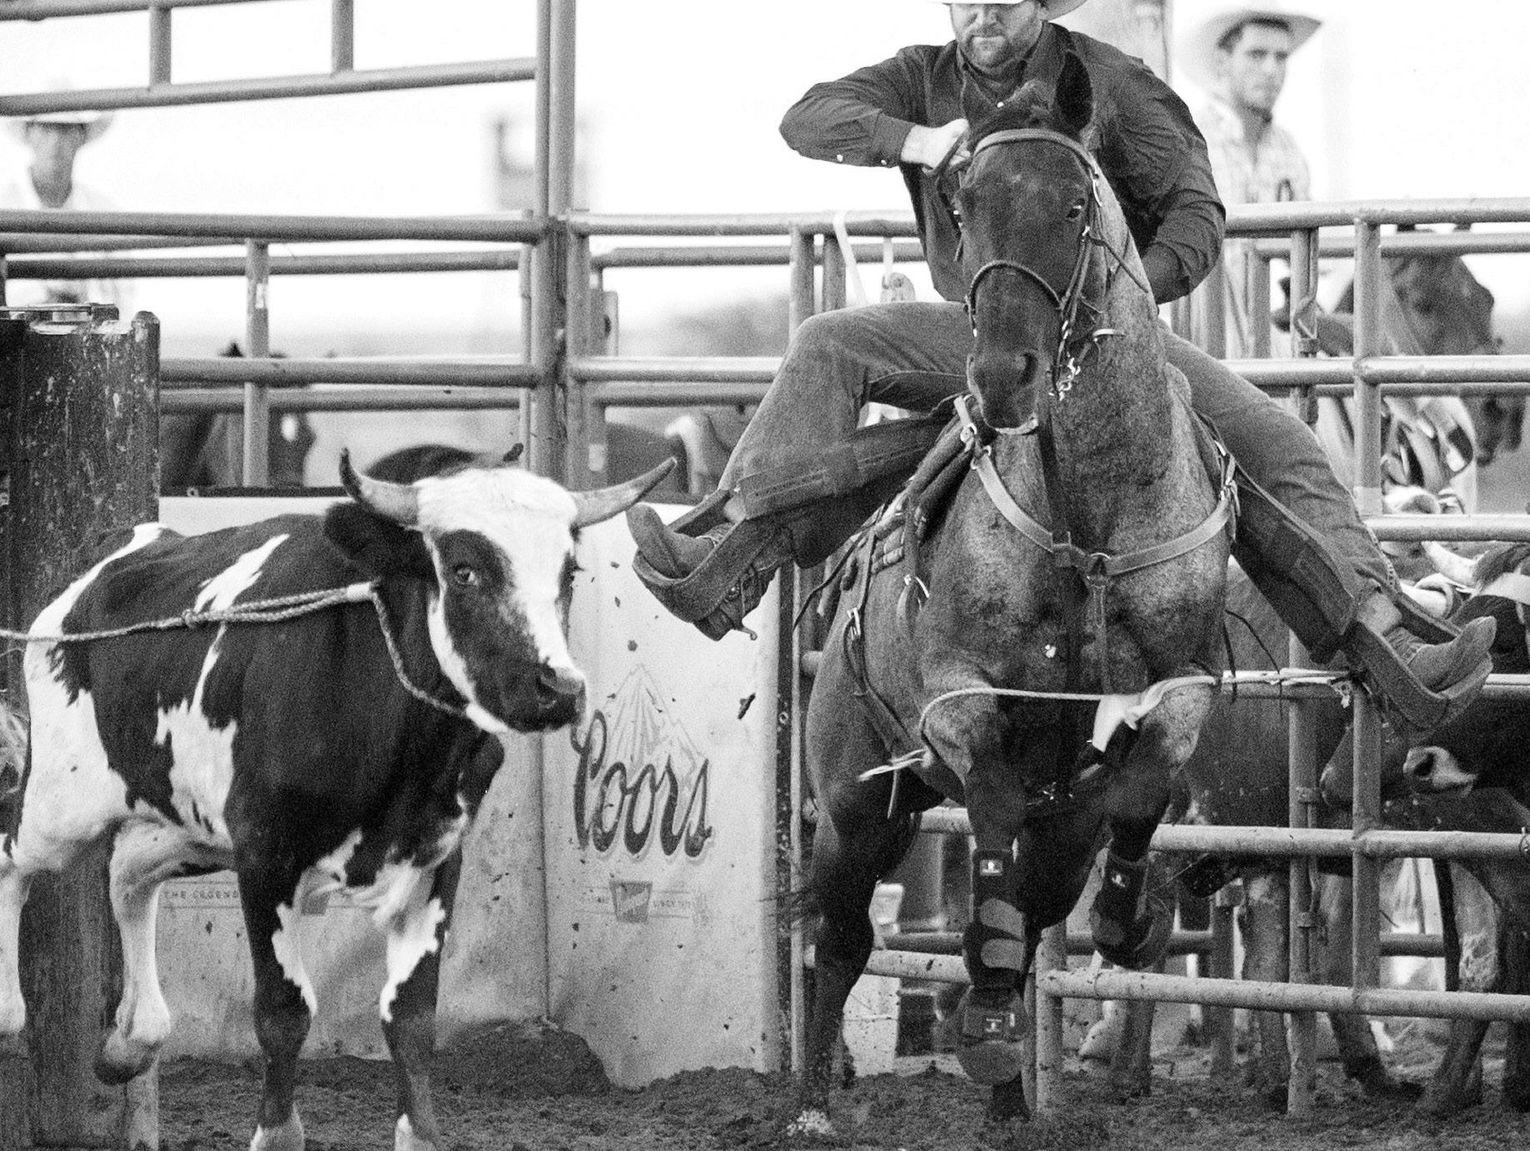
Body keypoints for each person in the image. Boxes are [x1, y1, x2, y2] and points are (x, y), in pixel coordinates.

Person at [626, 0, 1493, 733]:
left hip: (1115, 343)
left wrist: (1126, 299)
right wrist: (916, 140)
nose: (981, 16)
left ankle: (1388, 638)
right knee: (827, 341)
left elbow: (1195, 212)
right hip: (980, 330)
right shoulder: (923, 79)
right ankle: (728, 554)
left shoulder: (1107, 85)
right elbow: (805, 118)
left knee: (1279, 441)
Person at [1180, 3, 1320, 355]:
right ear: (1223, 61)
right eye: (1256, 55)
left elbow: (1307, 256)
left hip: (1277, 331)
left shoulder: (1288, 150)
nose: (1272, 70)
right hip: (1207, 335)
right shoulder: (1190, 139)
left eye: (1281, 57)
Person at [0, 98, 130, 311]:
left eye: (65, 130)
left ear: (80, 136)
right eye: (46, 129)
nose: (55, 141)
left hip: (86, 337)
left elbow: (123, 298)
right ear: (30, 134)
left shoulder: (103, 211)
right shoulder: (4, 204)